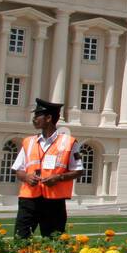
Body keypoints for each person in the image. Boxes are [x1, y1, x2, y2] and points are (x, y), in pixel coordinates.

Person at [12, 98, 83, 239]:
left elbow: (78, 170)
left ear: (49, 118)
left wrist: (59, 177)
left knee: (53, 241)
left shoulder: (69, 142)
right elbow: (17, 169)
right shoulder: (28, 142)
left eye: (37, 116)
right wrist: (26, 177)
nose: (34, 119)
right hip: (29, 199)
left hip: (54, 201)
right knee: (20, 238)